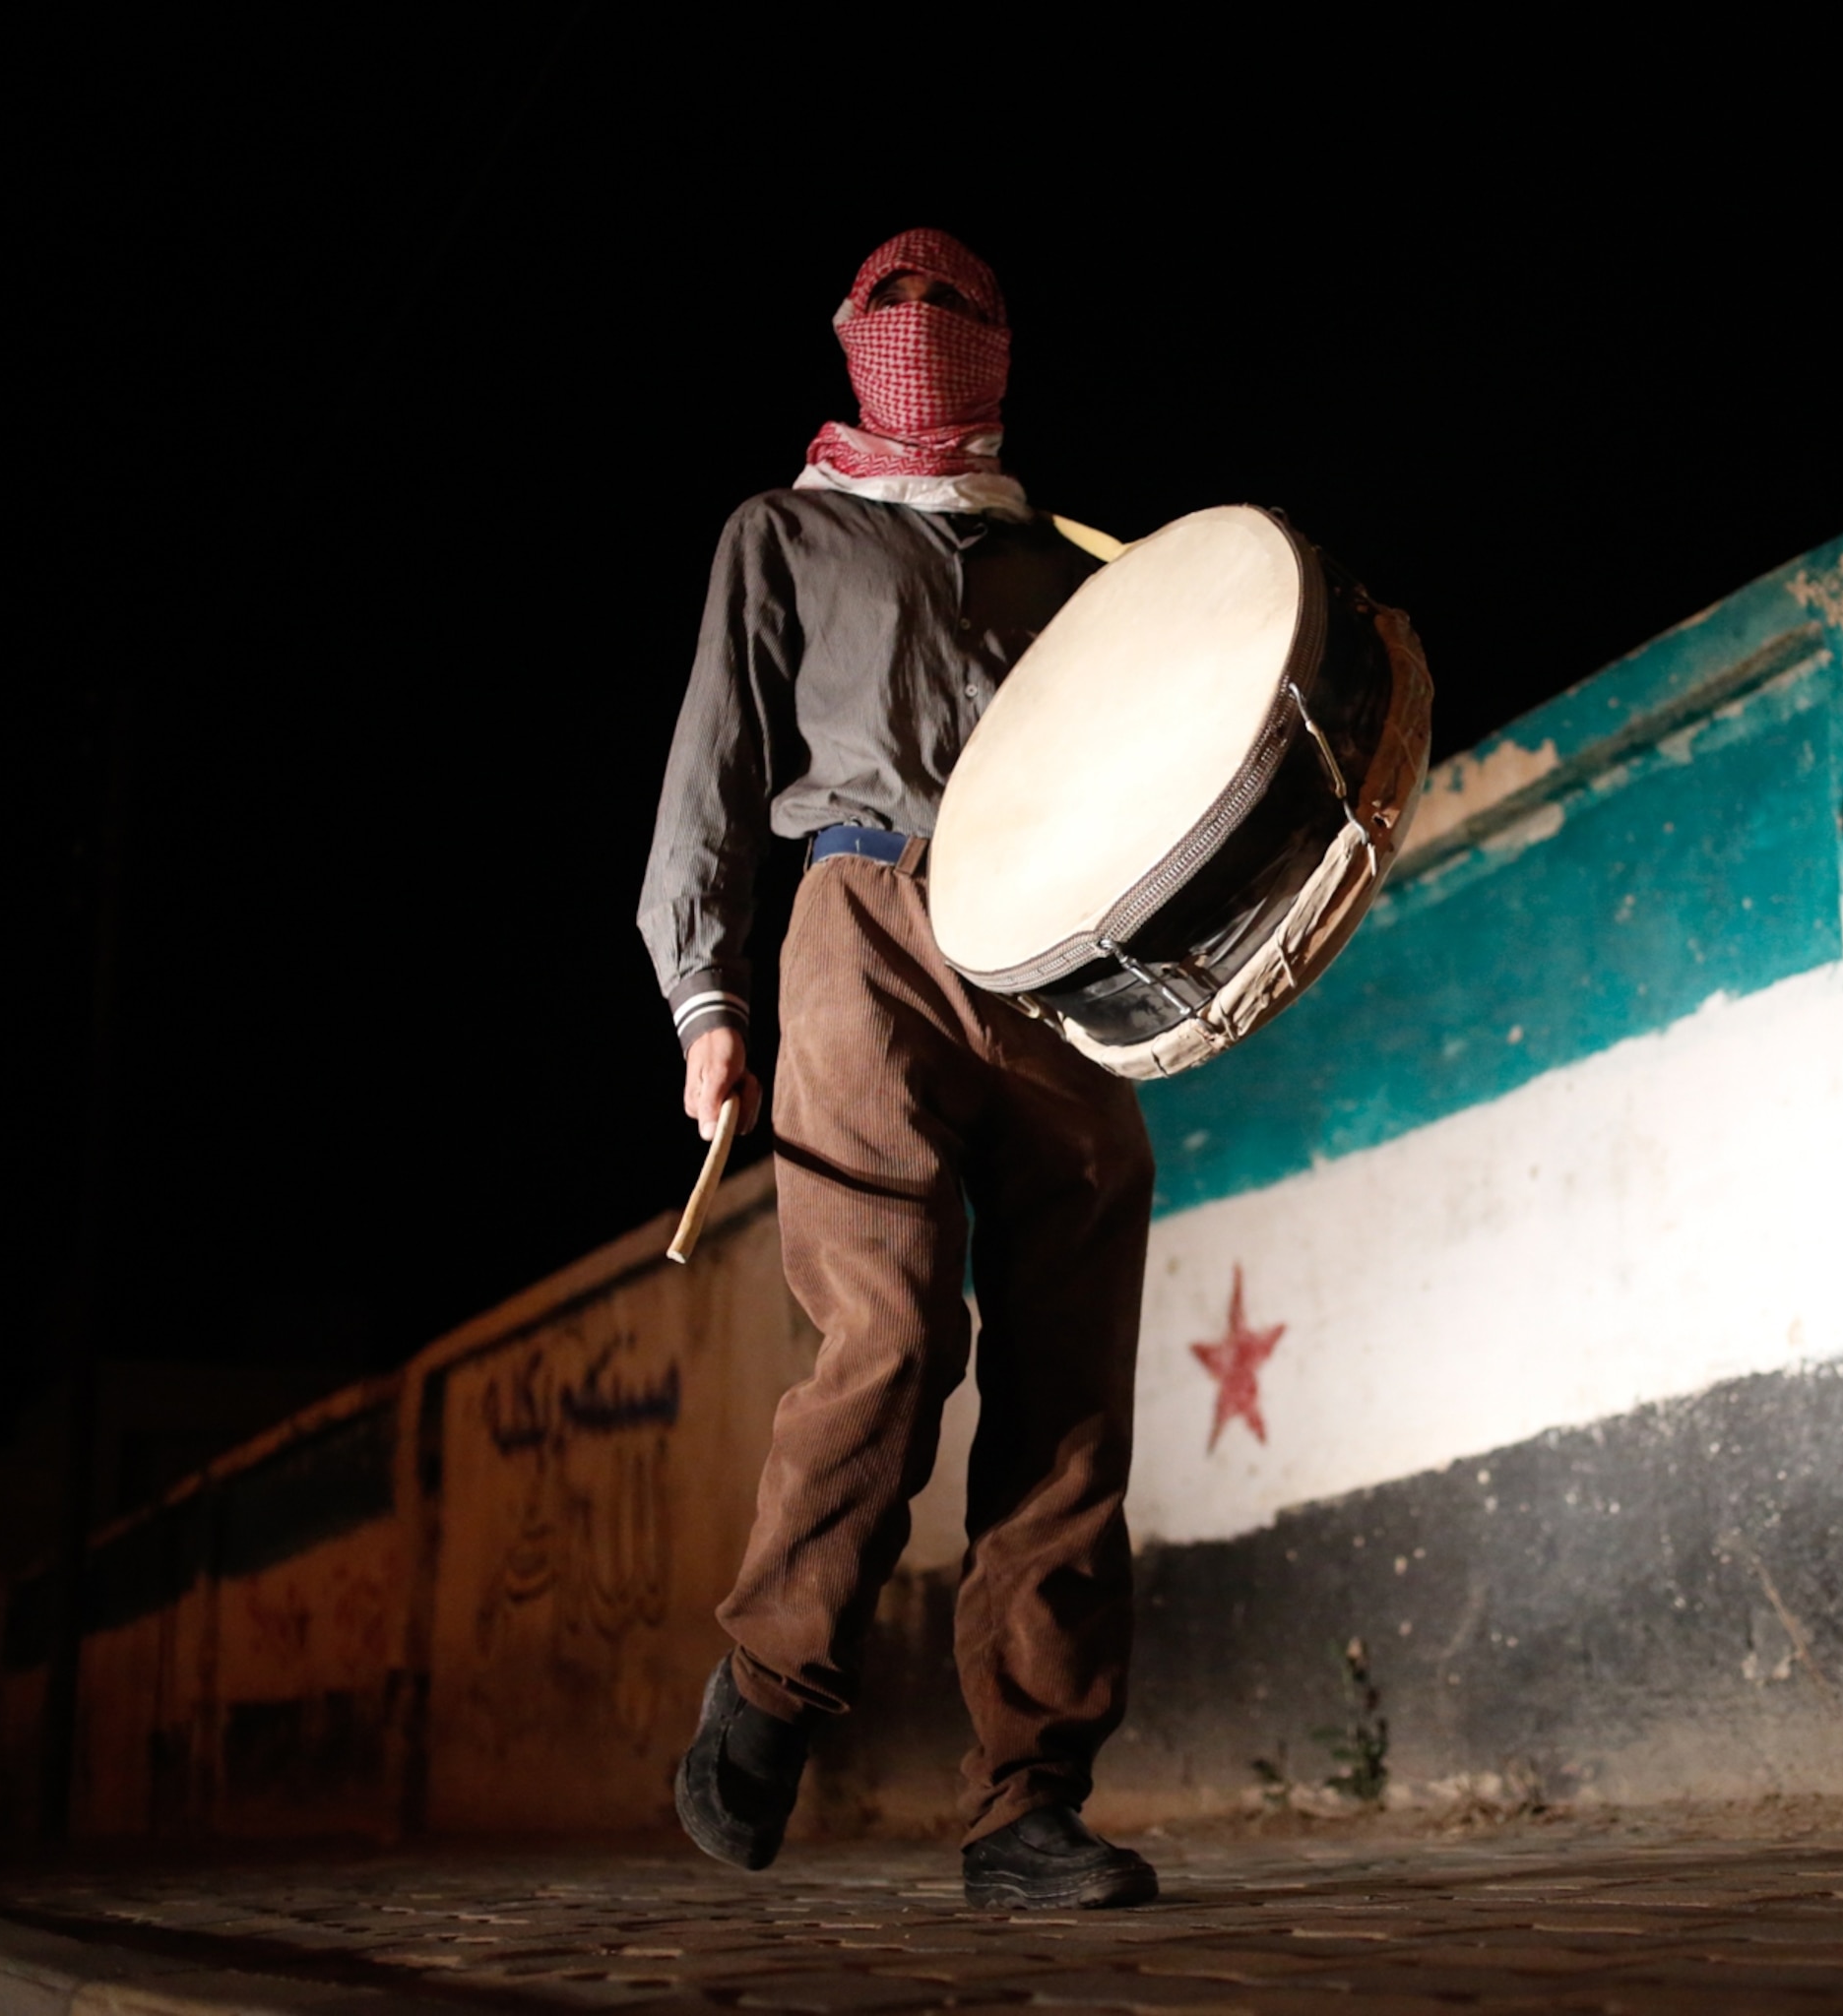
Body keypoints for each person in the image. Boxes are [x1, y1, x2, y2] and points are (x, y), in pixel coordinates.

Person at [637, 227, 1158, 1911]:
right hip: (859, 921)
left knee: (1070, 1377)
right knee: (892, 1329)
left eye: (959, 307)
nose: (924, 330)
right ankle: (775, 1683)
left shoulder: (1075, 568)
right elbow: (712, 768)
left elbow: (1166, 762)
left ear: (1008, 347)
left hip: (1055, 949)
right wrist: (708, 1003)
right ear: (849, 342)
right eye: (894, 306)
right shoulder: (781, 531)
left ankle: (1030, 1803)